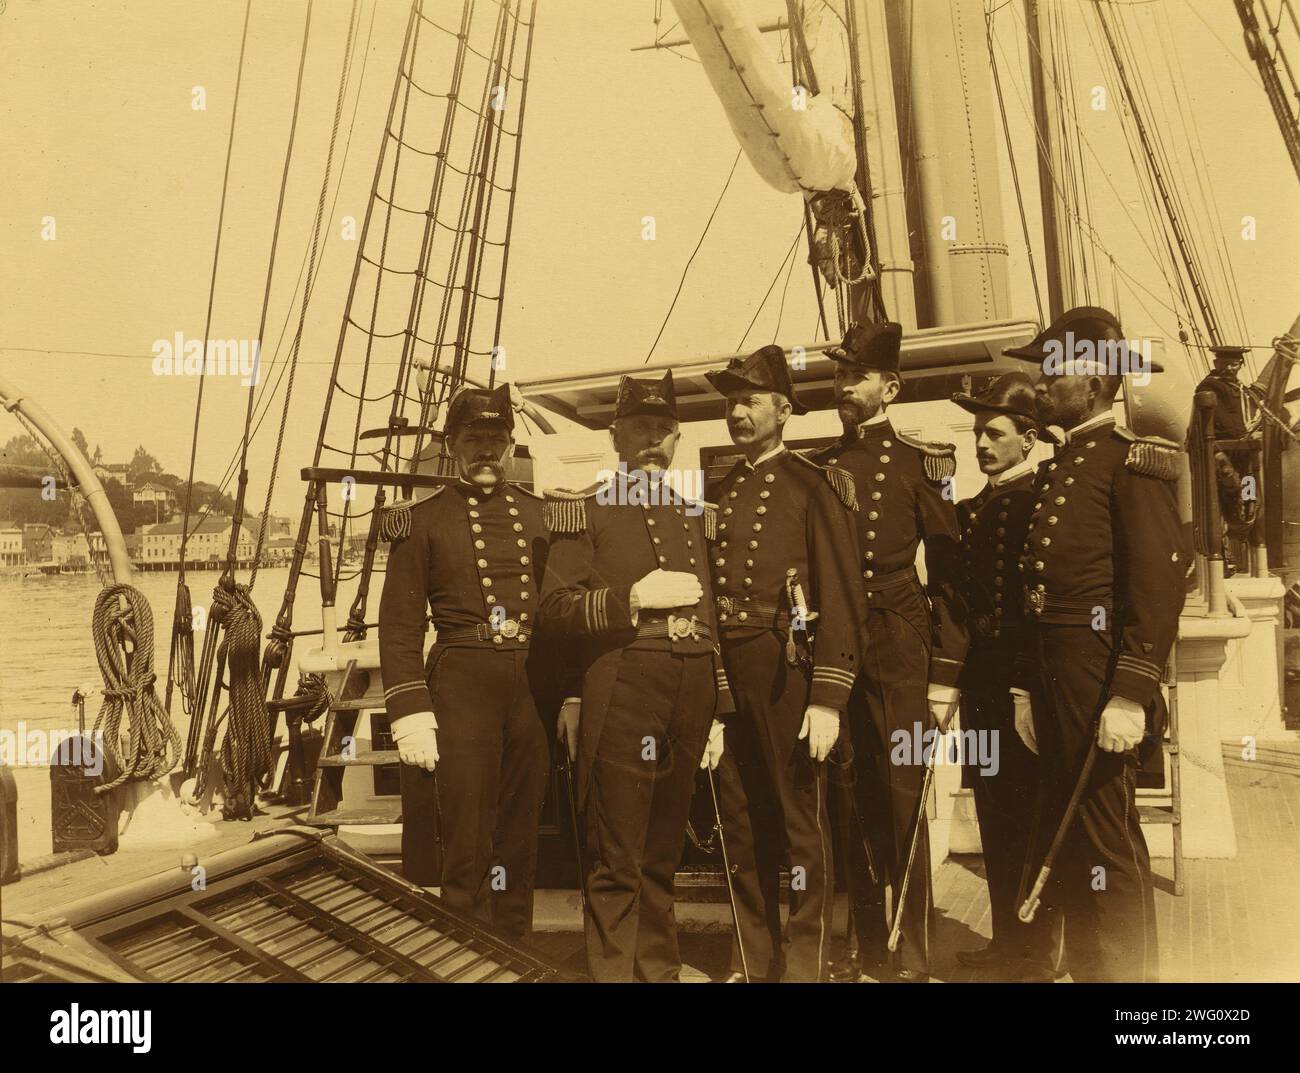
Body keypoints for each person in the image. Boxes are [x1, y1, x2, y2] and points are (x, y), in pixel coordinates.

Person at [1003, 305, 1184, 983]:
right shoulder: (1063, 464)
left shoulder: (1130, 462)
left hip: (1100, 676)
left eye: (1057, 370)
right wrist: (1025, 685)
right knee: (1071, 835)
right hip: (1056, 678)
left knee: (1108, 837)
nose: (1044, 382)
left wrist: (1132, 692)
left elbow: (1157, 585)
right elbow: (1035, 591)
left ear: (1099, 378)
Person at [538, 370, 732, 982]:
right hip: (624, 688)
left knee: (662, 850)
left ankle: (659, 971)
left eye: (664, 432)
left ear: (676, 441)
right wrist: (632, 600)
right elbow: (554, 609)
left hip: (689, 690)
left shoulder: (694, 514)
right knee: (617, 852)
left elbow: (712, 617)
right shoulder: (586, 512)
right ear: (617, 438)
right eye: (642, 430)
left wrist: (718, 708)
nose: (654, 442)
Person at [811, 321, 969, 983]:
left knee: (903, 794)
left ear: (890, 385)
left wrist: (944, 676)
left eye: (857, 376)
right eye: (840, 376)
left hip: (901, 636)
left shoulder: (919, 463)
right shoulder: (820, 467)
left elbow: (953, 576)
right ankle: (867, 949)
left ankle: (914, 957)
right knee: (849, 797)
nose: (844, 386)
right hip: (837, 638)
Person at [702, 345, 862, 983]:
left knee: (800, 825)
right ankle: (755, 958)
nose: (738, 413)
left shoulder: (812, 485)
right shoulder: (724, 488)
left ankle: (804, 965)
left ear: (784, 410)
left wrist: (828, 696)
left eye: (750, 401)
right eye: (731, 402)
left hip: (786, 669)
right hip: (732, 670)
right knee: (740, 822)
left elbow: (843, 594)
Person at [378, 382, 552, 941]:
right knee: (467, 831)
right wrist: (410, 710)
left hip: (532, 681)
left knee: (520, 829)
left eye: (495, 438)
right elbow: (401, 626)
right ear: (451, 444)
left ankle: (516, 950)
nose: (485, 449)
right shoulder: (423, 519)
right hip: (463, 679)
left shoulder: (541, 514)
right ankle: (468, 955)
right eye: (474, 438)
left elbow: (563, 607)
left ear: (508, 446)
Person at [949, 372, 1062, 981]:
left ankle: (1039, 952)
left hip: (1025, 685)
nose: (982, 444)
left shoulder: (1038, 499)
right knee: (994, 810)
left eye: (995, 433)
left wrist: (1024, 689)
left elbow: (1034, 607)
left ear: (1029, 438)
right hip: (983, 686)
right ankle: (1006, 939)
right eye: (977, 434)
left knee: (1031, 812)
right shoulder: (977, 506)